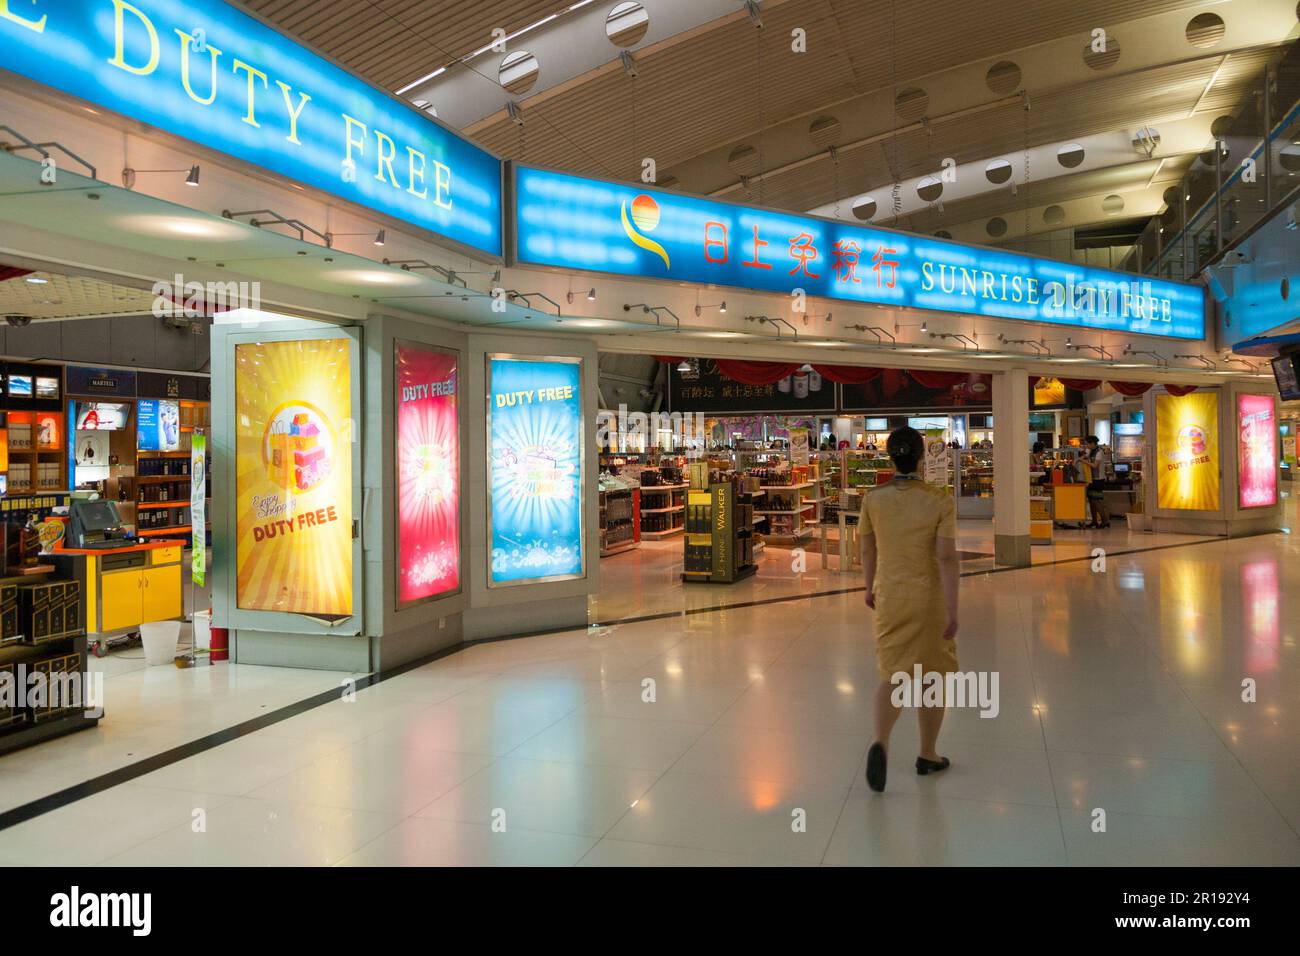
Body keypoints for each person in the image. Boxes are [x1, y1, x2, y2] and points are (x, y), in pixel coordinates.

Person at [859, 426, 960, 793]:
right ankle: (928, 753)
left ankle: (880, 741)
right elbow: (947, 559)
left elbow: (867, 550)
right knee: (931, 676)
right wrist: (953, 609)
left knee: (893, 674)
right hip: (928, 598)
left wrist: (869, 587)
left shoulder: (873, 499)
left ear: (890, 457)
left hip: (890, 595)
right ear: (920, 458)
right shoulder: (939, 500)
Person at [1083, 435, 1111, 528]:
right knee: (1091, 500)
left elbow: (1095, 465)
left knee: (1096, 501)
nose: (1086, 446)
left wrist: (1082, 461)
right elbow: (1085, 456)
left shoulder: (1099, 452)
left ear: (1092, 443)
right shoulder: (1091, 451)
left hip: (1098, 479)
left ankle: (1105, 521)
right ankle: (1094, 521)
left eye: (1087, 444)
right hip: (1092, 479)